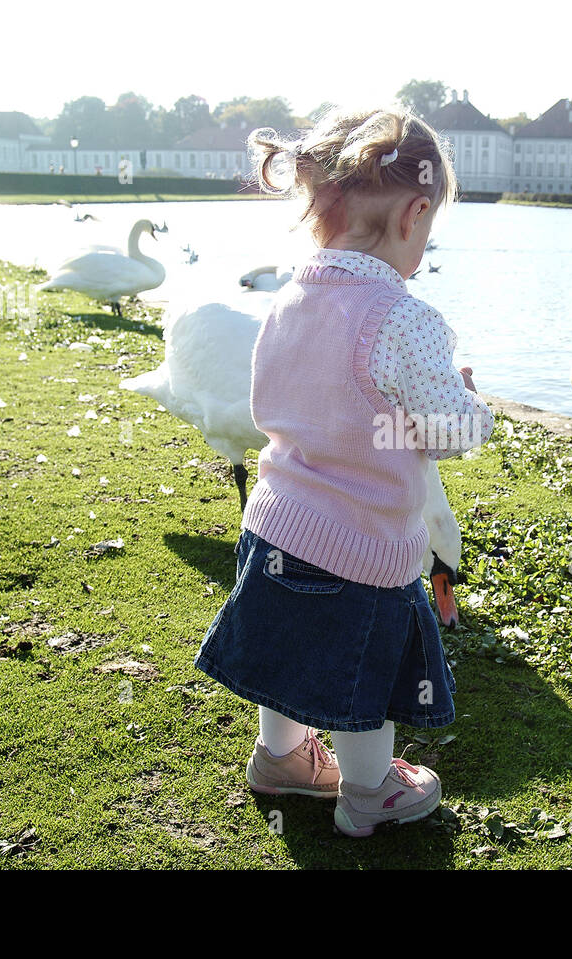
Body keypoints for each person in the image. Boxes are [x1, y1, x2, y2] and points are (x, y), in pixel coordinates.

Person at [194, 107, 493, 837]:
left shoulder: (291, 295)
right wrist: (468, 399)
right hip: (358, 551)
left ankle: (282, 757)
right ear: (414, 212)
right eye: (430, 227)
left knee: (290, 648)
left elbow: (290, 397)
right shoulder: (404, 316)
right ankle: (368, 791)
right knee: (366, 671)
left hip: (275, 526)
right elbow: (451, 431)